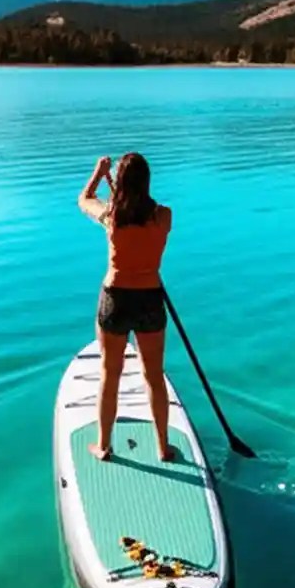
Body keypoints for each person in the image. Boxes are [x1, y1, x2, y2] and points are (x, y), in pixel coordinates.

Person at [77, 153, 174, 463]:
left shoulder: (111, 216)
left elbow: (84, 199)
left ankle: (104, 446)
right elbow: (143, 211)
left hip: (115, 300)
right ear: (147, 182)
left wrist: (99, 172)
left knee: (110, 373)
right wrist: (119, 187)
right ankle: (163, 447)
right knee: (154, 376)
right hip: (149, 299)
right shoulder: (164, 217)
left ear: (121, 184)